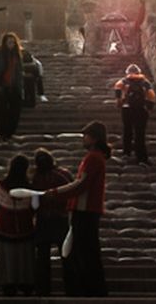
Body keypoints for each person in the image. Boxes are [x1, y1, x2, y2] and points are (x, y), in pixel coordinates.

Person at [41, 121, 110, 297]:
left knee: (85, 252)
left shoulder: (93, 158)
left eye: (85, 135)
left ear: (93, 138)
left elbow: (80, 185)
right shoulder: (96, 157)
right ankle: (93, 288)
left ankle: (91, 289)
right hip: (87, 209)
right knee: (87, 251)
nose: (83, 138)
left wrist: (54, 193)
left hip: (85, 210)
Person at [31, 149, 73, 297]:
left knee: (42, 257)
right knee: (67, 256)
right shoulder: (64, 174)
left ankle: (43, 289)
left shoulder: (36, 178)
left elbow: (34, 204)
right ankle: (71, 287)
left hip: (43, 220)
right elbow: (72, 192)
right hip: (61, 218)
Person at [0, 154, 35, 296]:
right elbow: (34, 208)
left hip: (5, 225)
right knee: (24, 257)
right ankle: (26, 282)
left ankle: (8, 282)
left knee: (7, 257)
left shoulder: (0, 185)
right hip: (25, 225)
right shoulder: (30, 188)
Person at [113, 64, 156, 165]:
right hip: (141, 109)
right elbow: (152, 96)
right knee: (140, 134)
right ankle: (141, 157)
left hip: (127, 108)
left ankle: (126, 153)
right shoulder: (145, 82)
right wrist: (149, 107)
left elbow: (117, 87)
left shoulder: (124, 81)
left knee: (127, 131)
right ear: (139, 72)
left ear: (128, 72)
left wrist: (119, 100)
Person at [0, 33, 24, 139]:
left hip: (14, 87)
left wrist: (21, 88)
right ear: (5, 43)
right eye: (9, 42)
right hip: (1, 87)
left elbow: (20, 73)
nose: (11, 44)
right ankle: (3, 133)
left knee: (15, 113)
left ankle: (10, 132)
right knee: (1, 112)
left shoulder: (17, 55)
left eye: (13, 42)